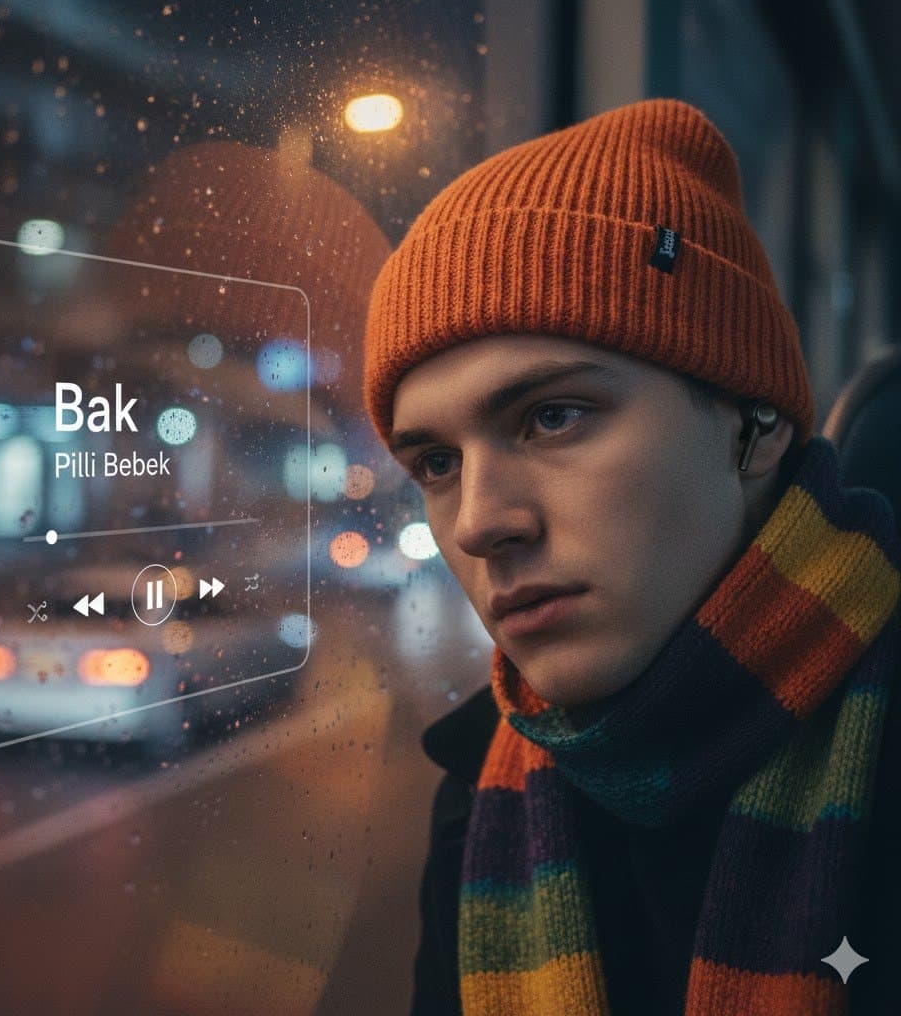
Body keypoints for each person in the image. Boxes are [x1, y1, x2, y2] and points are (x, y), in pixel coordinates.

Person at [361, 99, 900, 1015]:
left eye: (553, 415)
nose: (479, 523)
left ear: (753, 421)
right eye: (437, 464)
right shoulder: (474, 803)